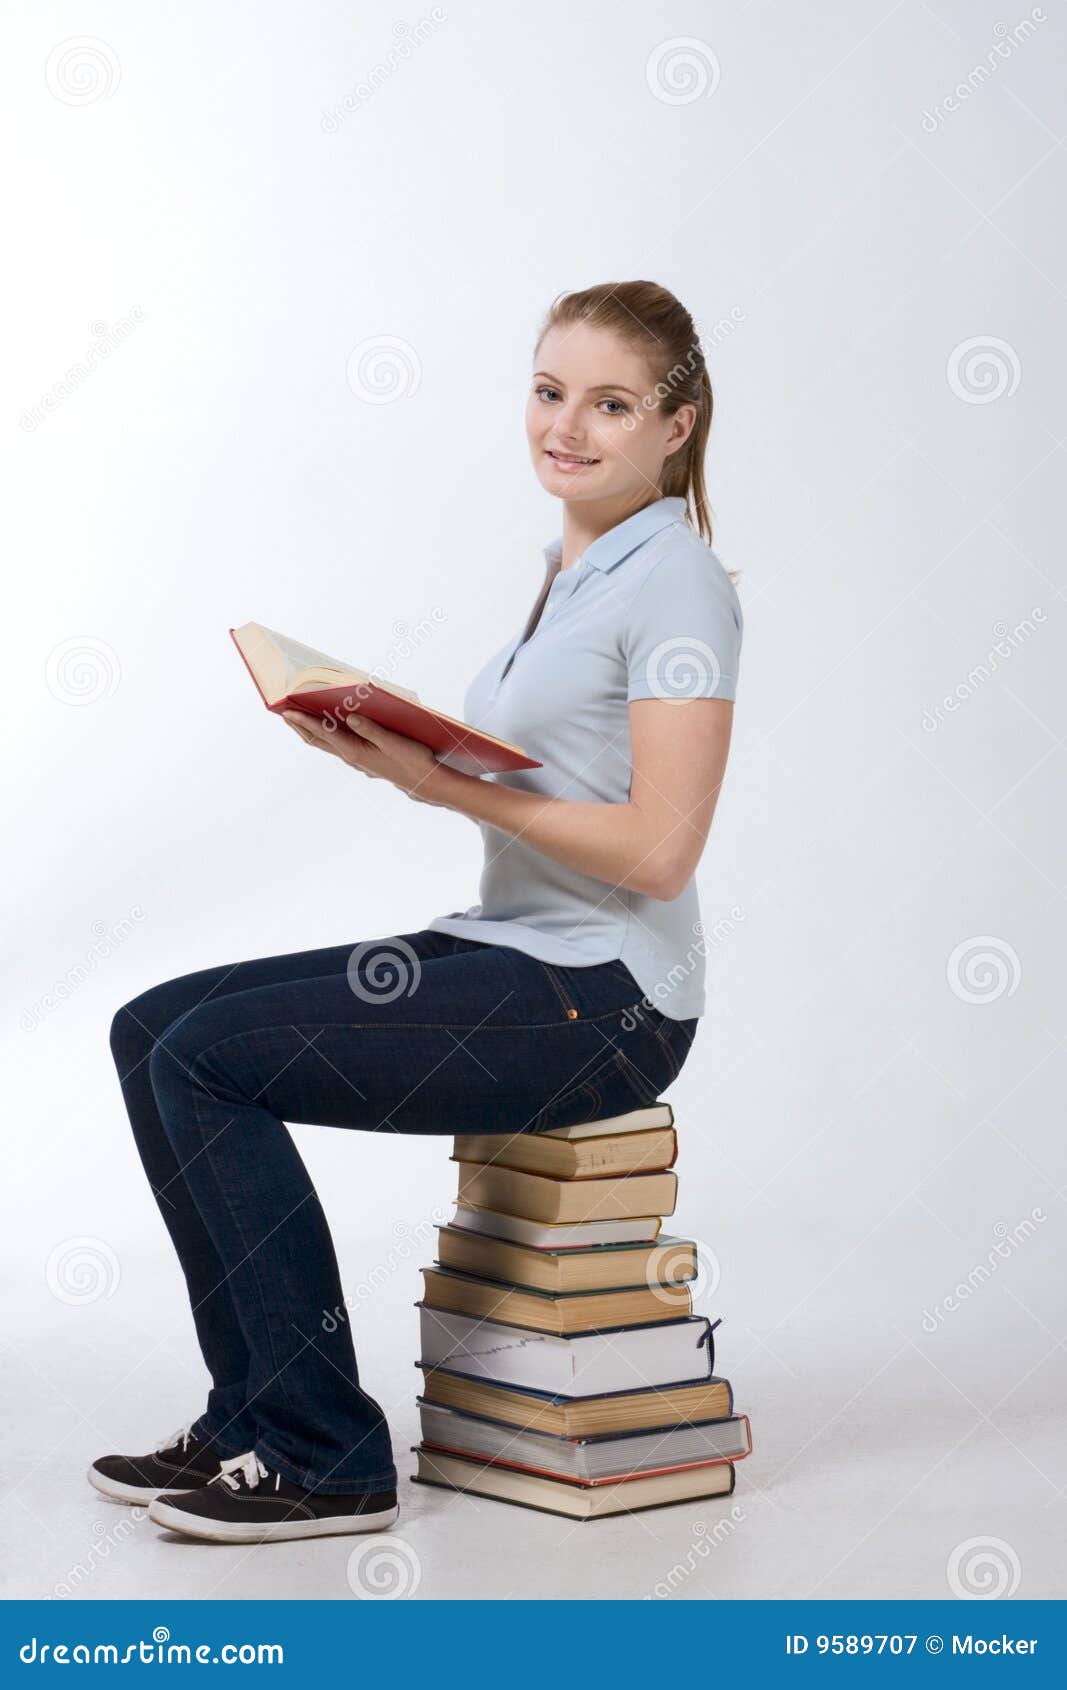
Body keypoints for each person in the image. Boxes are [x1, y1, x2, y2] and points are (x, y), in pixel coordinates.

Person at [92, 280, 744, 1544]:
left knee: (208, 1061)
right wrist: (401, 751)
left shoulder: (678, 585)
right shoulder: (570, 571)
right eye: (549, 391)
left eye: (608, 402)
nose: (566, 425)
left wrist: (438, 779)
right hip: (512, 945)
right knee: (147, 1025)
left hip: (605, 997)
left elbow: (661, 853)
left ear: (675, 424)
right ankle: (247, 1410)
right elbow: (551, 786)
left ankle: (324, 1454)